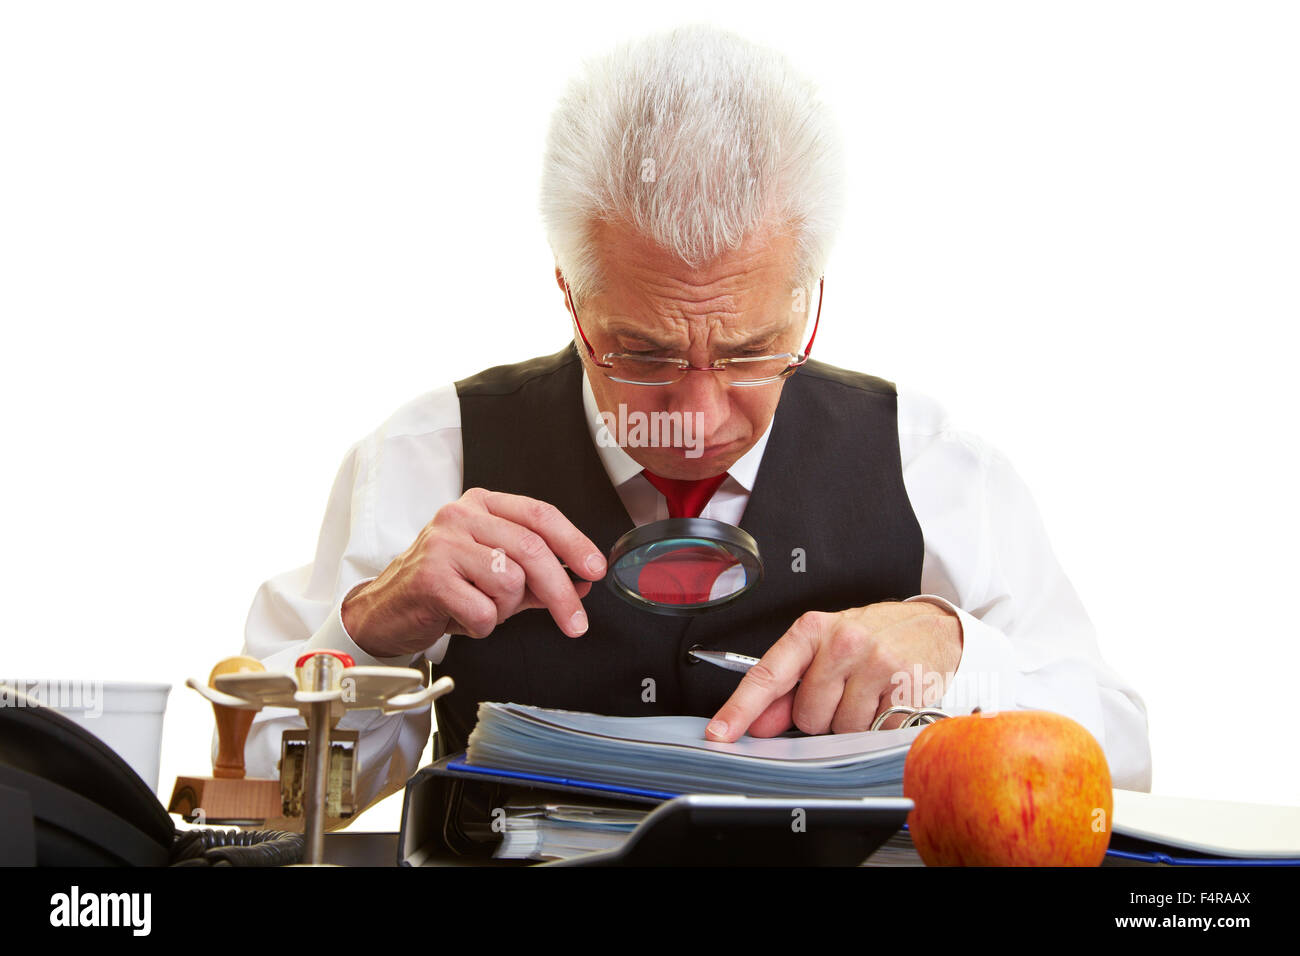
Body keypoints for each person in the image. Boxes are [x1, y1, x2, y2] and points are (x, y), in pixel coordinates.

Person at [225, 24, 1152, 817]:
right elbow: (265, 802)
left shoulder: (934, 468)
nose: (699, 415)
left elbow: (1123, 763)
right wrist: (373, 627)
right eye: (643, 352)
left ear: (808, 298)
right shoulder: (429, 456)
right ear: (570, 297)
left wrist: (955, 652)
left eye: (751, 351)